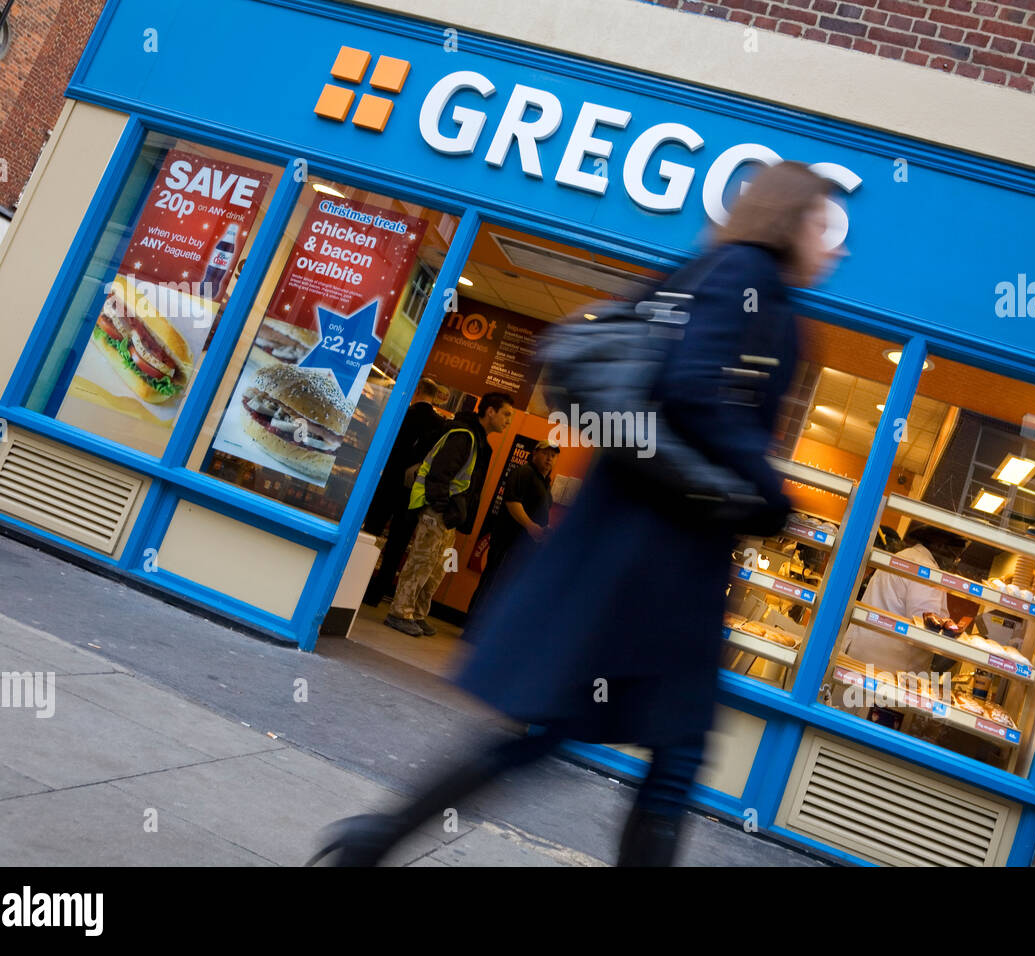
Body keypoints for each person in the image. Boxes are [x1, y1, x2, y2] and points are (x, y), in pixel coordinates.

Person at [310, 161, 838, 867]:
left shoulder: (706, 271)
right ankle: (374, 839)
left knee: (580, 737)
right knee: (658, 749)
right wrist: (767, 491)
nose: (834, 247)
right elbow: (697, 394)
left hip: (634, 558)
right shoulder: (749, 283)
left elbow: (672, 394)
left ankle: (374, 839)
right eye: (824, 225)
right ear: (792, 218)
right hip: (659, 568)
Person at [384, 392, 514, 637]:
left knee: (436, 569)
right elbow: (438, 475)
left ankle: (417, 613)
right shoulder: (463, 436)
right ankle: (399, 612)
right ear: (490, 411)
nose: (508, 421)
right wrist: (442, 507)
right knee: (421, 562)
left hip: (449, 516)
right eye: (506, 414)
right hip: (438, 512)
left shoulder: (477, 439)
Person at [362, 378, 450, 607]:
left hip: (387, 484)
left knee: (370, 533)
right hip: (412, 493)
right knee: (397, 544)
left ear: (417, 390)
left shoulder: (403, 415)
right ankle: (376, 594)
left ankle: (355, 579)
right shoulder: (441, 425)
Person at [840, 524, 971, 677]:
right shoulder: (927, 570)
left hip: (860, 656)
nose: (955, 561)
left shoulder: (901, 556)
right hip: (886, 668)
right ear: (940, 545)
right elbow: (927, 627)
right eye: (955, 555)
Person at [467, 440, 558, 619]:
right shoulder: (524, 472)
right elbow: (512, 501)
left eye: (553, 455)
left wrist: (543, 529)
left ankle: (485, 628)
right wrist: (530, 526)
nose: (549, 458)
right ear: (535, 453)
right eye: (546, 453)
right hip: (507, 541)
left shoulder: (545, 482)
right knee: (493, 583)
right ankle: (474, 626)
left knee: (505, 587)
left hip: (523, 546)